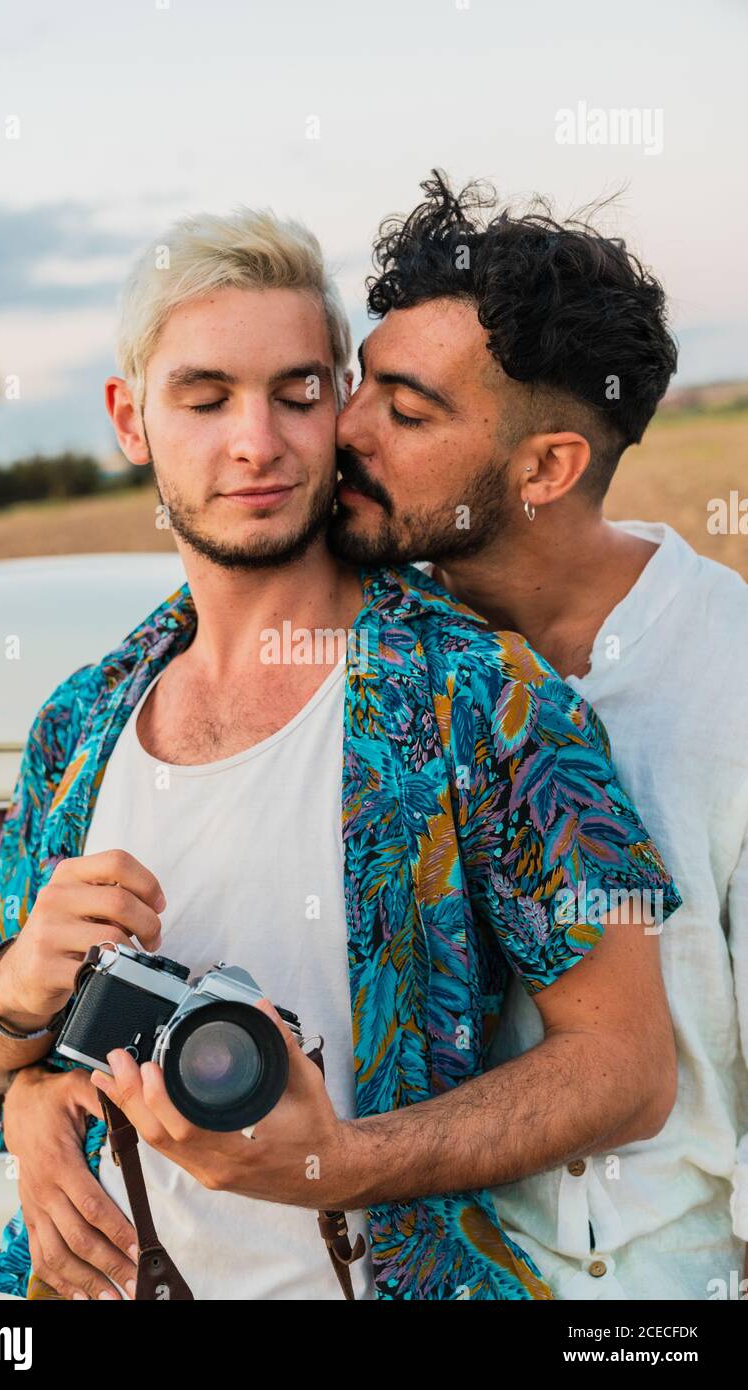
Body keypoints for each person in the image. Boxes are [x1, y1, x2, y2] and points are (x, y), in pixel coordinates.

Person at [0, 204, 679, 1302]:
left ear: (338, 401)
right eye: (204, 397)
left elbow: (627, 1068)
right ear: (129, 419)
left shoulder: (478, 696)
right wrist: (13, 1008)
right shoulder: (80, 721)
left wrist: (331, 1165)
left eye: (298, 392)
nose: (259, 441)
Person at [329, 171, 748, 1300]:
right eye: (360, 386)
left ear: (549, 467)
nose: (345, 429)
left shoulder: (735, 688)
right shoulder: (360, 657)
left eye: (408, 414)